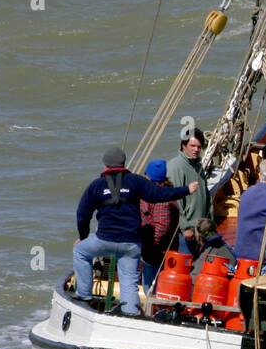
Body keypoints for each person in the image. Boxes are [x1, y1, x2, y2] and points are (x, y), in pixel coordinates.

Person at [73, 147, 195, 315]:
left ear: (106, 166)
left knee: (80, 251)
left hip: (104, 240)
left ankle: (84, 296)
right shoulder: (136, 181)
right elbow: (159, 194)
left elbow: (82, 214)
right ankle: (130, 314)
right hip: (131, 244)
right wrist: (186, 190)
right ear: (123, 164)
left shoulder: (96, 185)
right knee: (129, 281)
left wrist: (83, 236)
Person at [166, 127, 211, 256]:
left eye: (199, 147)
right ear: (183, 145)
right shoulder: (175, 167)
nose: (196, 150)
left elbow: (206, 196)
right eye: (192, 146)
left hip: (200, 230)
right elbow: (174, 199)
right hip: (185, 233)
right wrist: (184, 227)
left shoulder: (198, 166)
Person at [139, 159, 178, 292]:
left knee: (152, 290)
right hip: (151, 252)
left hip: (156, 254)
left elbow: (162, 227)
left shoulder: (162, 197)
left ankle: (154, 311)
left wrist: (149, 245)